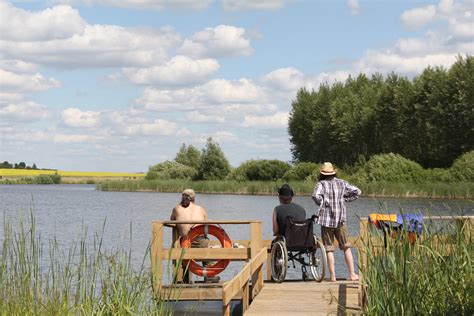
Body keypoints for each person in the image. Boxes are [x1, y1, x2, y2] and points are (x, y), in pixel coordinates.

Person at [312, 162, 360, 282]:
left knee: (329, 249)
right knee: (346, 247)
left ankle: (332, 276)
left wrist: (322, 202)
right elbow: (357, 191)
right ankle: (352, 274)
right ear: (334, 172)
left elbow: (315, 196)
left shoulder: (321, 184)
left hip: (326, 221)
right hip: (341, 221)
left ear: (322, 174)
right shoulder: (342, 183)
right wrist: (344, 199)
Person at [170, 189, 219, 283]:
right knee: (208, 250)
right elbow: (205, 224)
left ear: (182, 197)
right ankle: (209, 276)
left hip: (185, 241)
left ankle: (186, 278)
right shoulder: (200, 209)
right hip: (200, 241)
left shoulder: (176, 208)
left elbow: (172, 220)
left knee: (185, 258)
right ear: (194, 198)